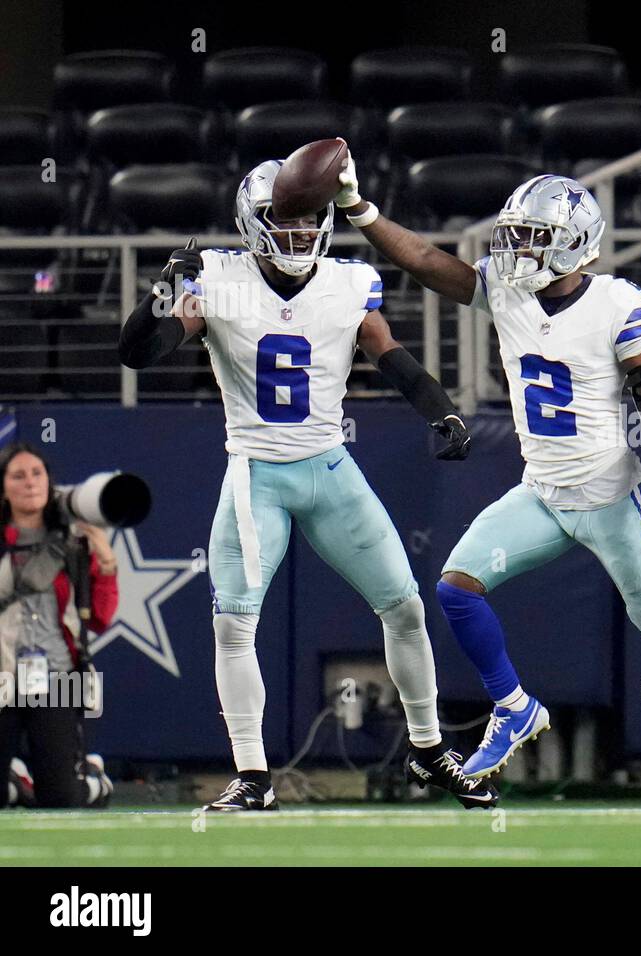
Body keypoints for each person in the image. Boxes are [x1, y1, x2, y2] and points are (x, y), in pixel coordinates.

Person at [334, 159, 641, 807]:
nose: (515, 248)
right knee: (456, 590)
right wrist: (359, 208)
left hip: (608, 497)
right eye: (515, 234)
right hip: (541, 492)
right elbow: (428, 262)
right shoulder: (506, 291)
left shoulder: (616, 303)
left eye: (532, 236)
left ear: (572, 242)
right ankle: (514, 707)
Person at [118, 160, 496, 811]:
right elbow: (139, 353)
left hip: (327, 466)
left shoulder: (348, 282)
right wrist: (162, 292)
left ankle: (429, 750)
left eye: (305, 222)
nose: (296, 236)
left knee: (404, 607)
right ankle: (254, 776)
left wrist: (442, 408)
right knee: (235, 626)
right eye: (282, 223)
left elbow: (388, 352)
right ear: (252, 225)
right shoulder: (223, 280)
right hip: (256, 473)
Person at [0, 442, 116, 809]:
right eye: (17, 476)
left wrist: (107, 564)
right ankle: (16, 783)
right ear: (3, 487)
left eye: (37, 474)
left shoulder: (71, 543)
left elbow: (99, 617)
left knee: (62, 798)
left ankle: (93, 781)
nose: (29, 483)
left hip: (57, 677)